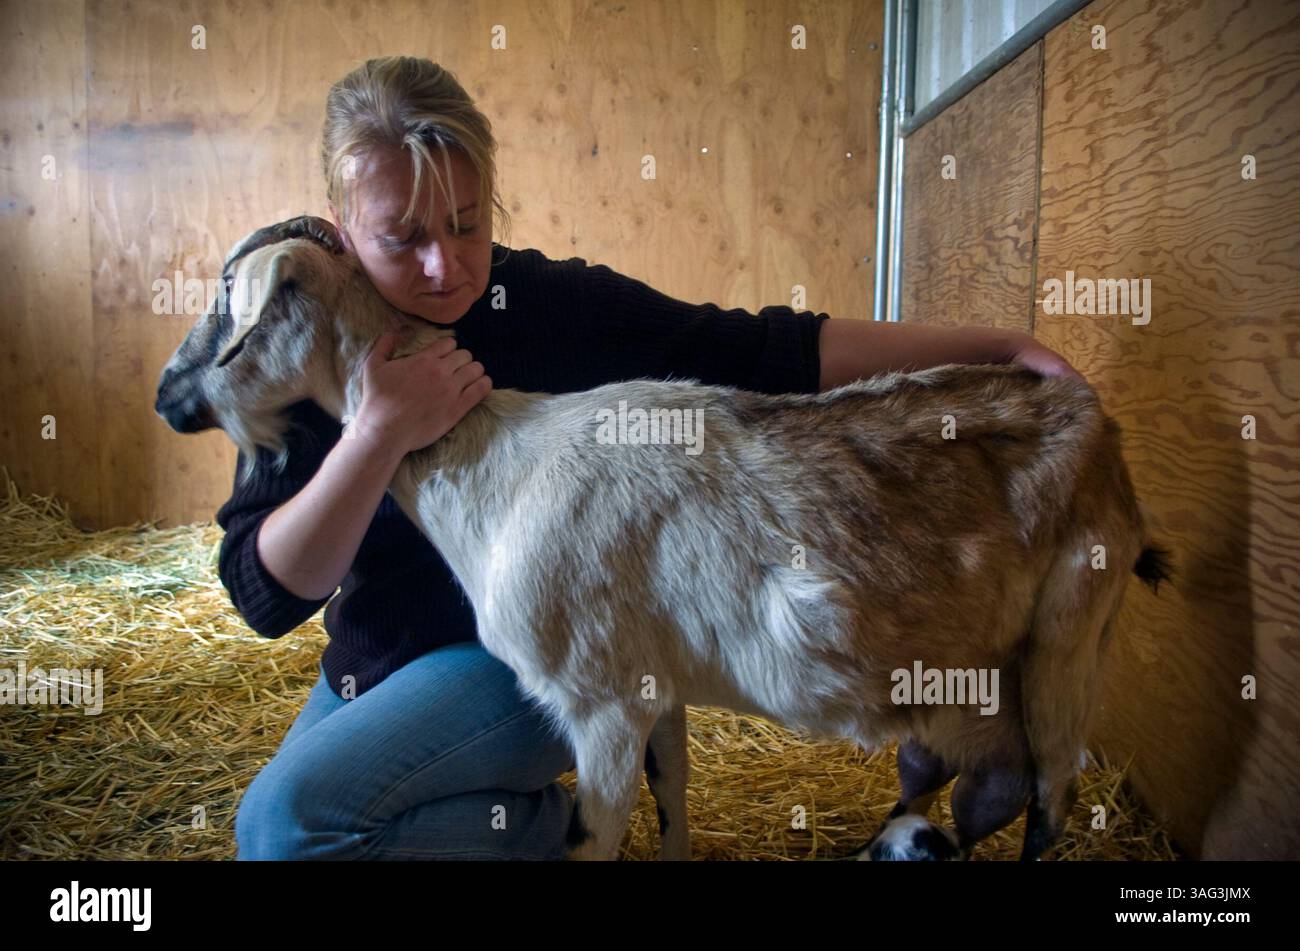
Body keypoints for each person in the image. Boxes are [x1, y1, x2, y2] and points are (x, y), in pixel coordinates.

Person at [226, 55, 1081, 861]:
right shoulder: (308, 340)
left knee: (288, 829)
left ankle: (562, 826)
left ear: (493, 202)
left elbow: (763, 349)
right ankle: (535, 827)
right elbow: (264, 591)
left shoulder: (550, 305)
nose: (445, 264)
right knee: (283, 834)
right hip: (372, 661)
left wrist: (998, 344)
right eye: (401, 236)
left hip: (532, 654)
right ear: (342, 234)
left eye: (466, 223)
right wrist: (374, 436)